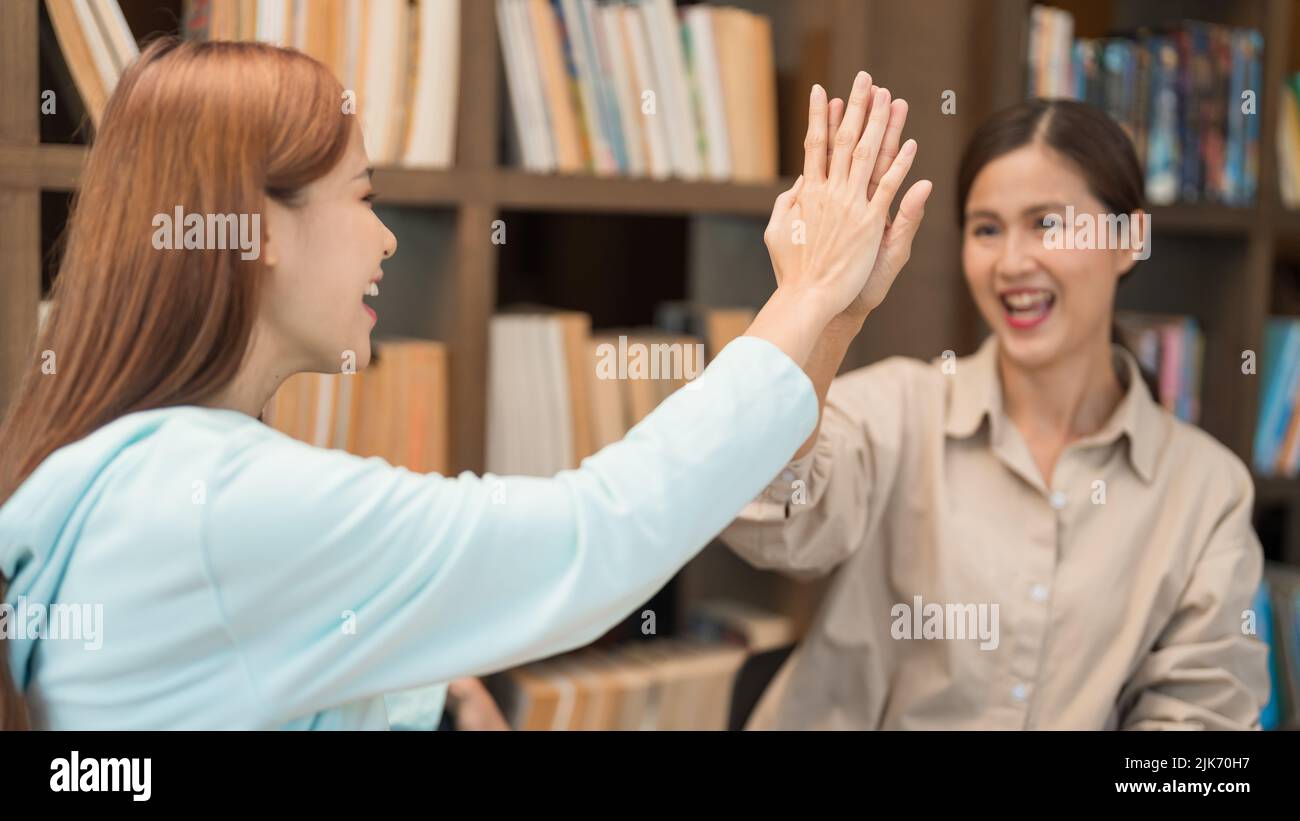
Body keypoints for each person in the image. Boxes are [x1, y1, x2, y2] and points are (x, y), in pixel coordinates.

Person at [0, 38, 931, 729]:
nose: (388, 240)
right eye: (364, 199)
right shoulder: (214, 508)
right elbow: (592, 537)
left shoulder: (137, 481)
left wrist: (833, 313)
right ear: (260, 229)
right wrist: (804, 297)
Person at [723, 99, 1270, 730]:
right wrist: (825, 311)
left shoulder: (1207, 491)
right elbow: (764, 518)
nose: (1012, 263)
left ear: (1128, 241)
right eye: (986, 229)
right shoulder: (901, 409)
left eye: (1046, 224)